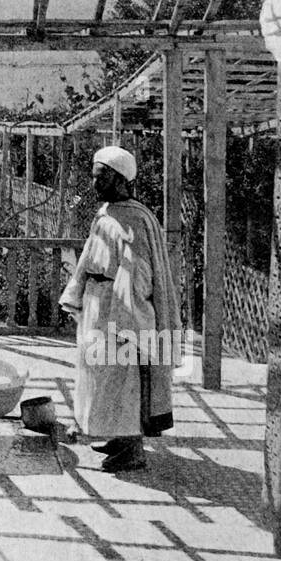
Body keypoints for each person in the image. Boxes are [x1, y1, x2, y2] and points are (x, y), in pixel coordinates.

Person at [59, 146, 182, 472]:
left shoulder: (135, 218)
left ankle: (131, 449)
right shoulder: (105, 213)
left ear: (120, 178)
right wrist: (78, 293)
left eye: (101, 178)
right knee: (99, 376)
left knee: (122, 378)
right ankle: (115, 435)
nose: (95, 183)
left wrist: (129, 320)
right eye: (94, 177)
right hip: (99, 305)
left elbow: (140, 273)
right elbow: (88, 259)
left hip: (121, 311)